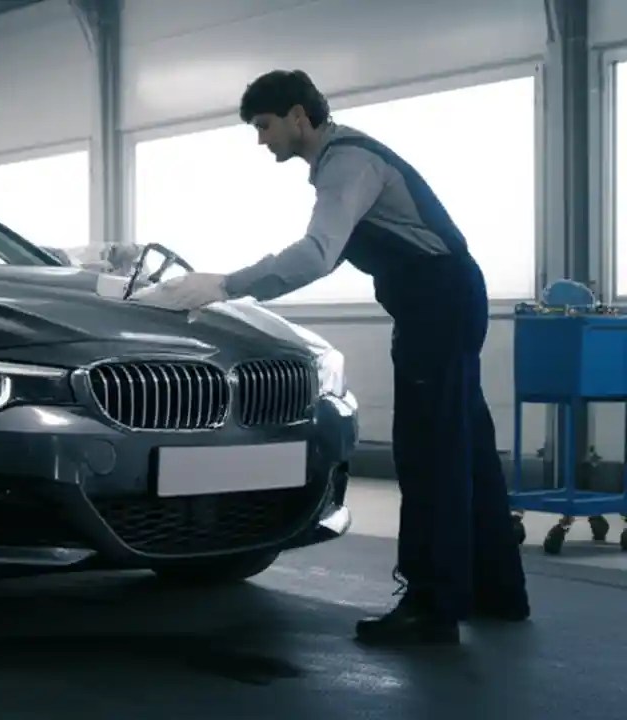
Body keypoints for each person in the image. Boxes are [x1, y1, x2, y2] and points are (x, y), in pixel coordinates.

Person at [130, 69, 530, 647]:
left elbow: (317, 254)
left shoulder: (346, 164)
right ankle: (498, 589)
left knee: (428, 450)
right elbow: (334, 251)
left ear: (298, 116)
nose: (262, 141)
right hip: (447, 296)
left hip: (436, 303)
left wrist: (225, 285)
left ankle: (432, 605)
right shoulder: (350, 162)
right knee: (464, 444)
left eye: (264, 126)